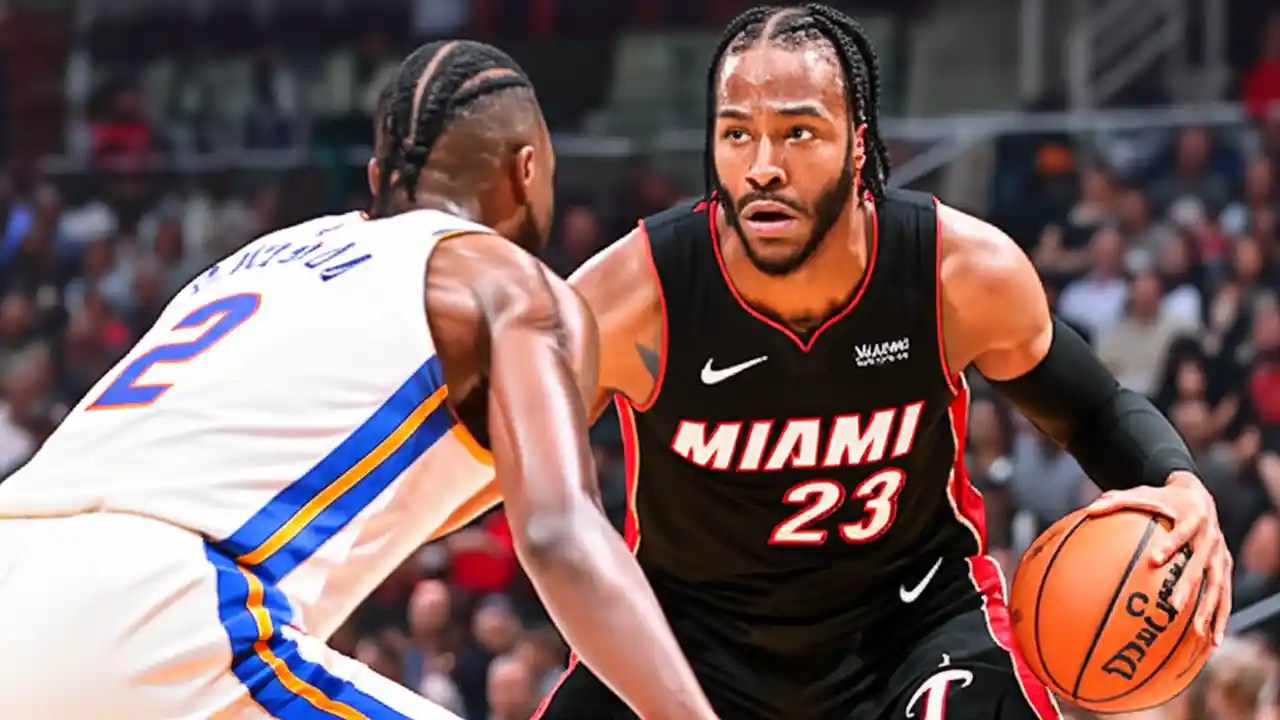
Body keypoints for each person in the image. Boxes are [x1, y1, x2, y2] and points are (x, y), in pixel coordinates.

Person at [538, 5, 1234, 719]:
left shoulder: (958, 272)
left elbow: (1093, 410)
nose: (763, 167)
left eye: (798, 132)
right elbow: (505, 464)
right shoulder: (630, 298)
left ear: (857, 143)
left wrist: (1178, 483)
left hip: (912, 632)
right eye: (737, 134)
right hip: (686, 647)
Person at [0, 40, 715, 720]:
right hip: (152, 611)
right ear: (527, 171)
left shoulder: (259, 259)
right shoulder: (505, 281)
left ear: (377, 179)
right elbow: (558, 531)